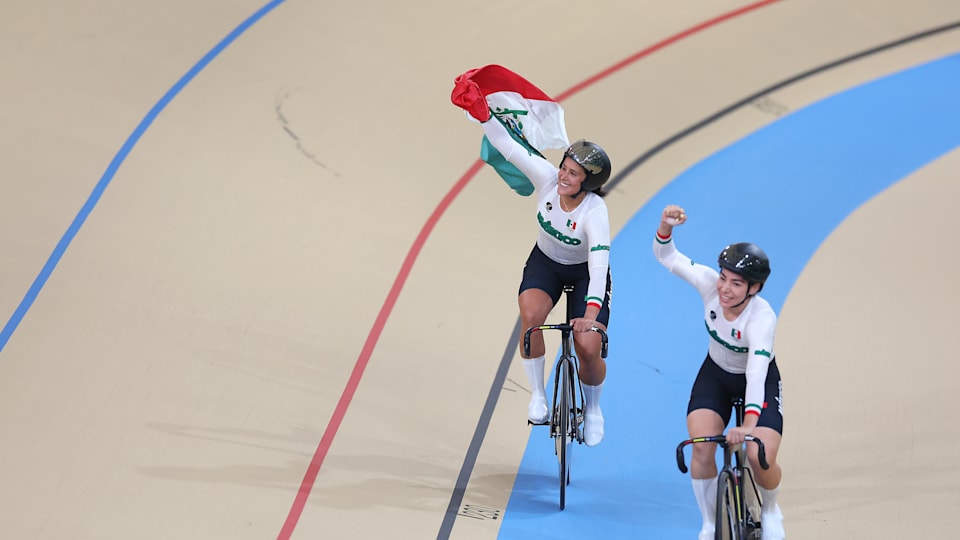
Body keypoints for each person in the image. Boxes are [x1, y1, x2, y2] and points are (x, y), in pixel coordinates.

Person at [454, 86, 614, 447]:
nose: (563, 176)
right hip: (547, 262)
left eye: (574, 174)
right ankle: (539, 395)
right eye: (564, 167)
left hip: (586, 272)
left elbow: (600, 265)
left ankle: (592, 409)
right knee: (530, 316)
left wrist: (590, 314)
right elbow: (510, 147)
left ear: (588, 184)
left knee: (588, 346)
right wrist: (482, 113)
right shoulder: (546, 179)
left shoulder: (595, 213)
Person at [653, 204, 785, 540]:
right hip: (716, 374)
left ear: (754, 288)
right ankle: (711, 522)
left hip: (757, 380)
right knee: (700, 447)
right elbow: (669, 258)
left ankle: (770, 509)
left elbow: (755, 375)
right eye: (724, 278)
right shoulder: (711, 287)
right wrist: (666, 226)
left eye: (736, 284)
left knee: (758, 456)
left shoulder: (761, 318)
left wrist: (749, 426)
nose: (725, 289)